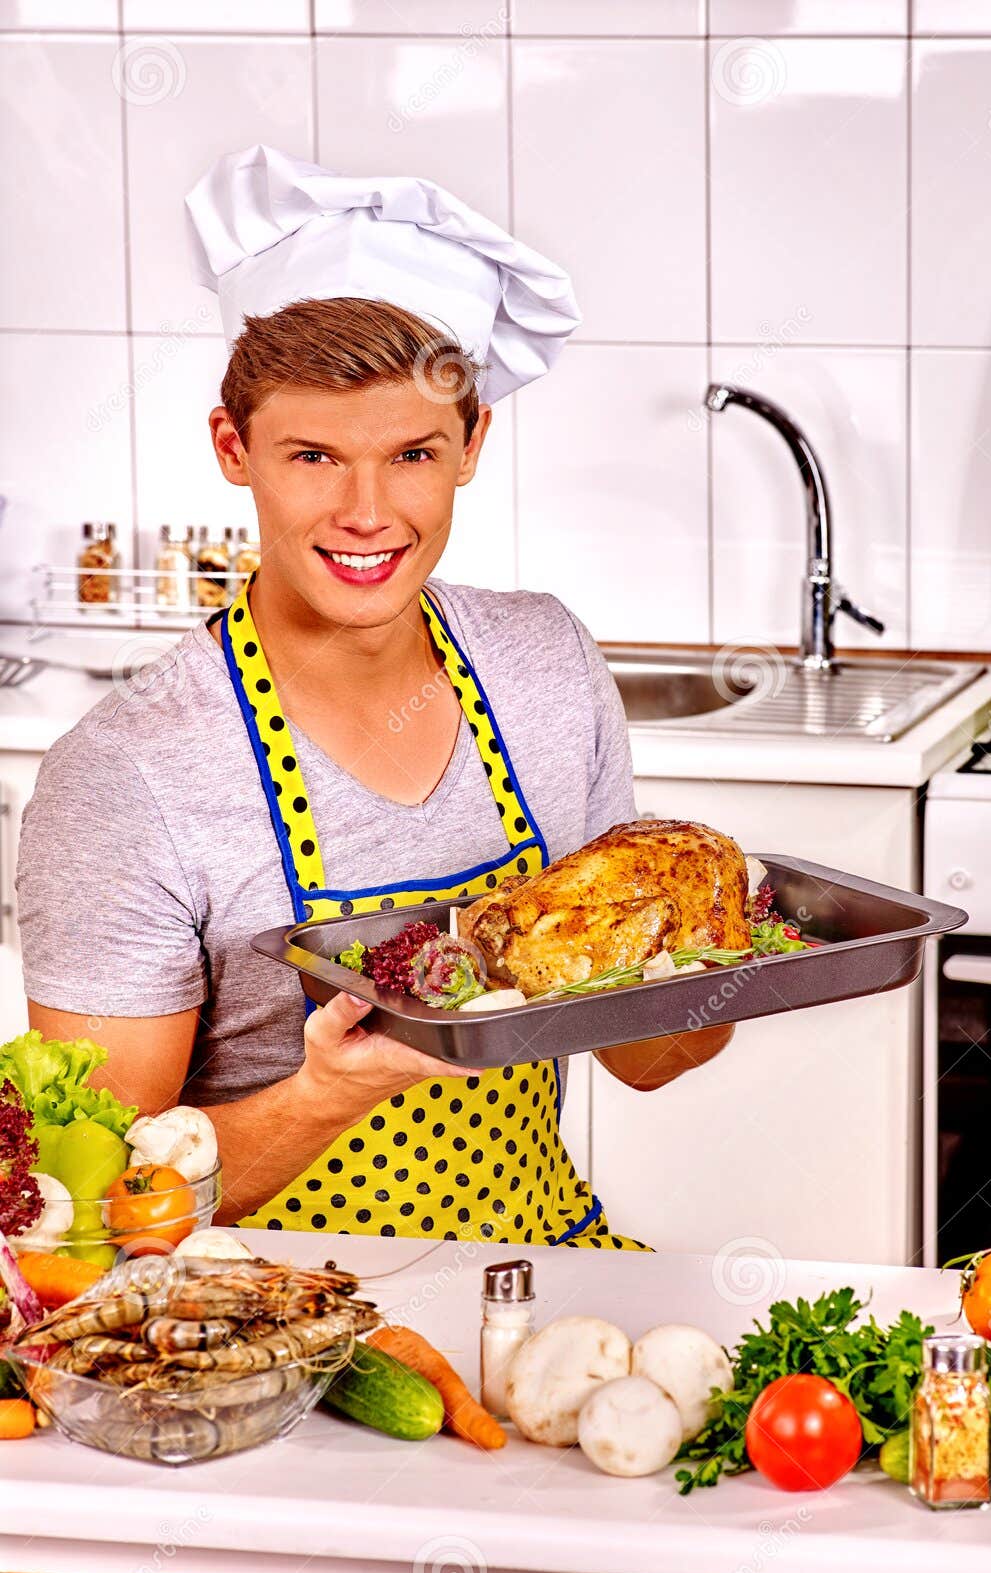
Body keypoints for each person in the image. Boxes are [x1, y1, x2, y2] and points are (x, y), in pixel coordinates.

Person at [16, 145, 733, 1252]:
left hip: (540, 1267)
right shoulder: (126, 776)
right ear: (233, 448)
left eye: (410, 453)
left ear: (471, 445)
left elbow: (636, 1056)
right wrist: (326, 1093)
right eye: (312, 455)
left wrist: (719, 968)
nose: (366, 512)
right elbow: (98, 1212)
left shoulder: (545, 664)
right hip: (264, 1332)